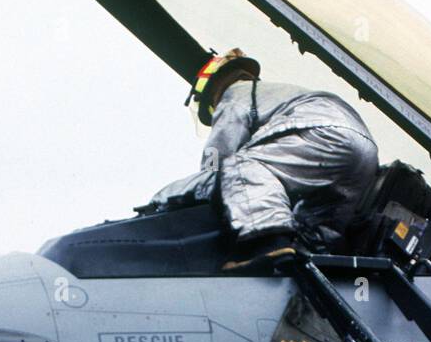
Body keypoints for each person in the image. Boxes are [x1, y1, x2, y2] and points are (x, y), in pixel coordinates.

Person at [151, 49, 379, 264]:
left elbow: (218, 154)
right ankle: (312, 262)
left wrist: (204, 183)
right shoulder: (274, 94)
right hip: (362, 149)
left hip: (321, 133)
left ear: (213, 88)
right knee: (313, 222)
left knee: (242, 166)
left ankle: (267, 245)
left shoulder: (234, 93)